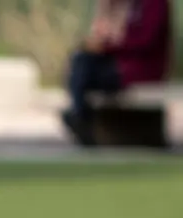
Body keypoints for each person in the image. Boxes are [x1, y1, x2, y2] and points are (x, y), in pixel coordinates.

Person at [63, 0, 173, 145]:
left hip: (142, 68)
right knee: (81, 59)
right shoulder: (130, 5)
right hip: (121, 62)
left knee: (86, 72)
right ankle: (80, 114)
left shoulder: (154, 4)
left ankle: (82, 117)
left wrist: (111, 45)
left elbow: (145, 42)